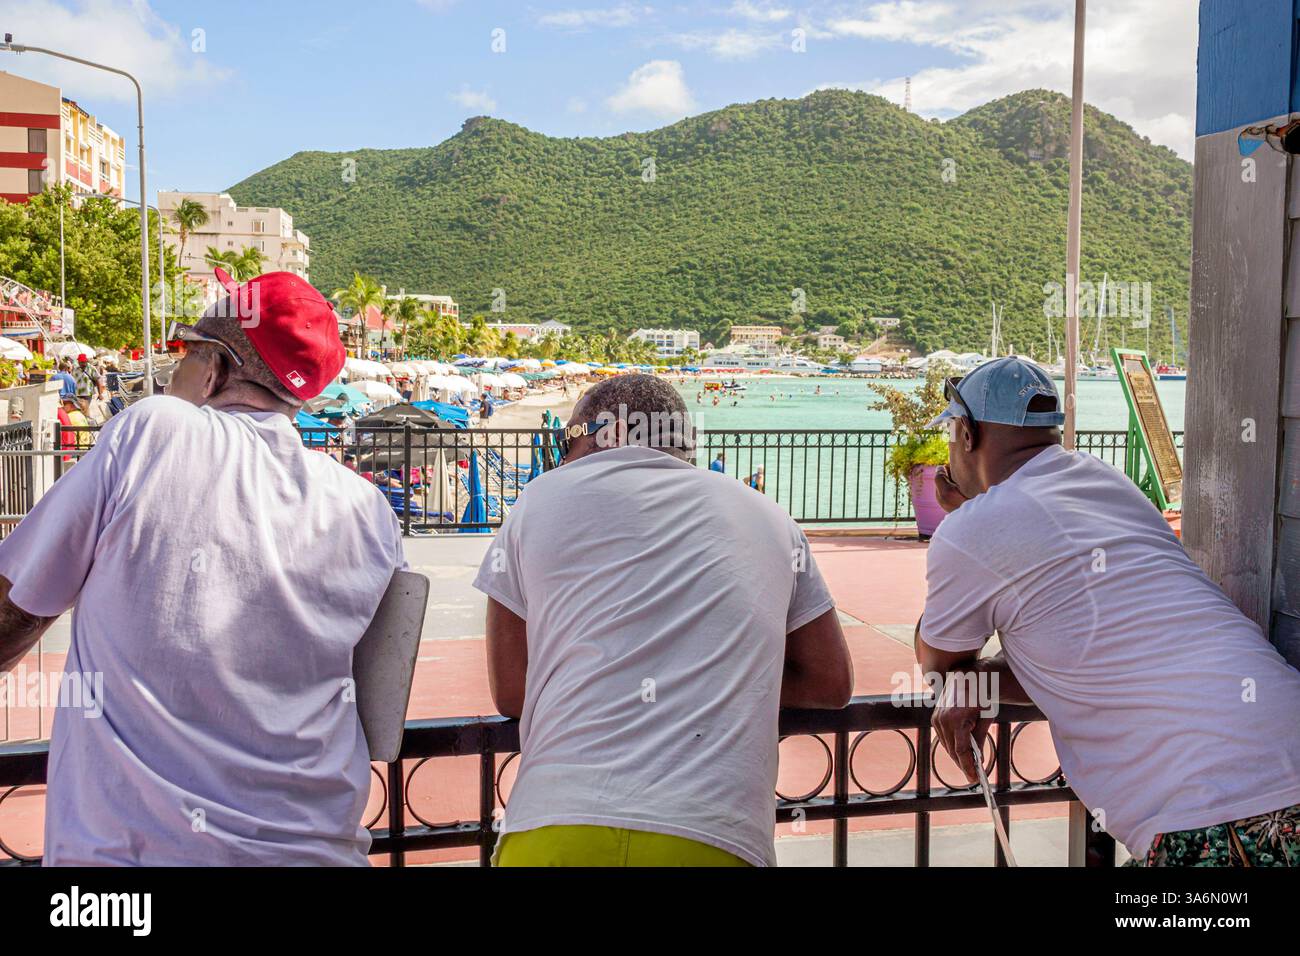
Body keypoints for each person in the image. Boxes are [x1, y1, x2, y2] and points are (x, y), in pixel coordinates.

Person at [0, 266, 407, 865]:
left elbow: (17, 606)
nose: (173, 371)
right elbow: (377, 701)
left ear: (215, 368)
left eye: (185, 353)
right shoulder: (366, 507)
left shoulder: (153, 431)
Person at [917, 357, 1300, 867]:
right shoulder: (1107, 483)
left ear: (966, 434)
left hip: (1212, 809)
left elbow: (939, 664)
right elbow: (1083, 647)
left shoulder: (972, 528)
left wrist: (962, 517)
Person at [474, 374, 852, 866]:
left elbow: (511, 691)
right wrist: (717, 681)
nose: (562, 455)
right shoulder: (770, 517)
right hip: (716, 836)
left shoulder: (537, 501)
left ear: (599, 434)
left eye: (566, 439)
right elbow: (831, 682)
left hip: (556, 826)